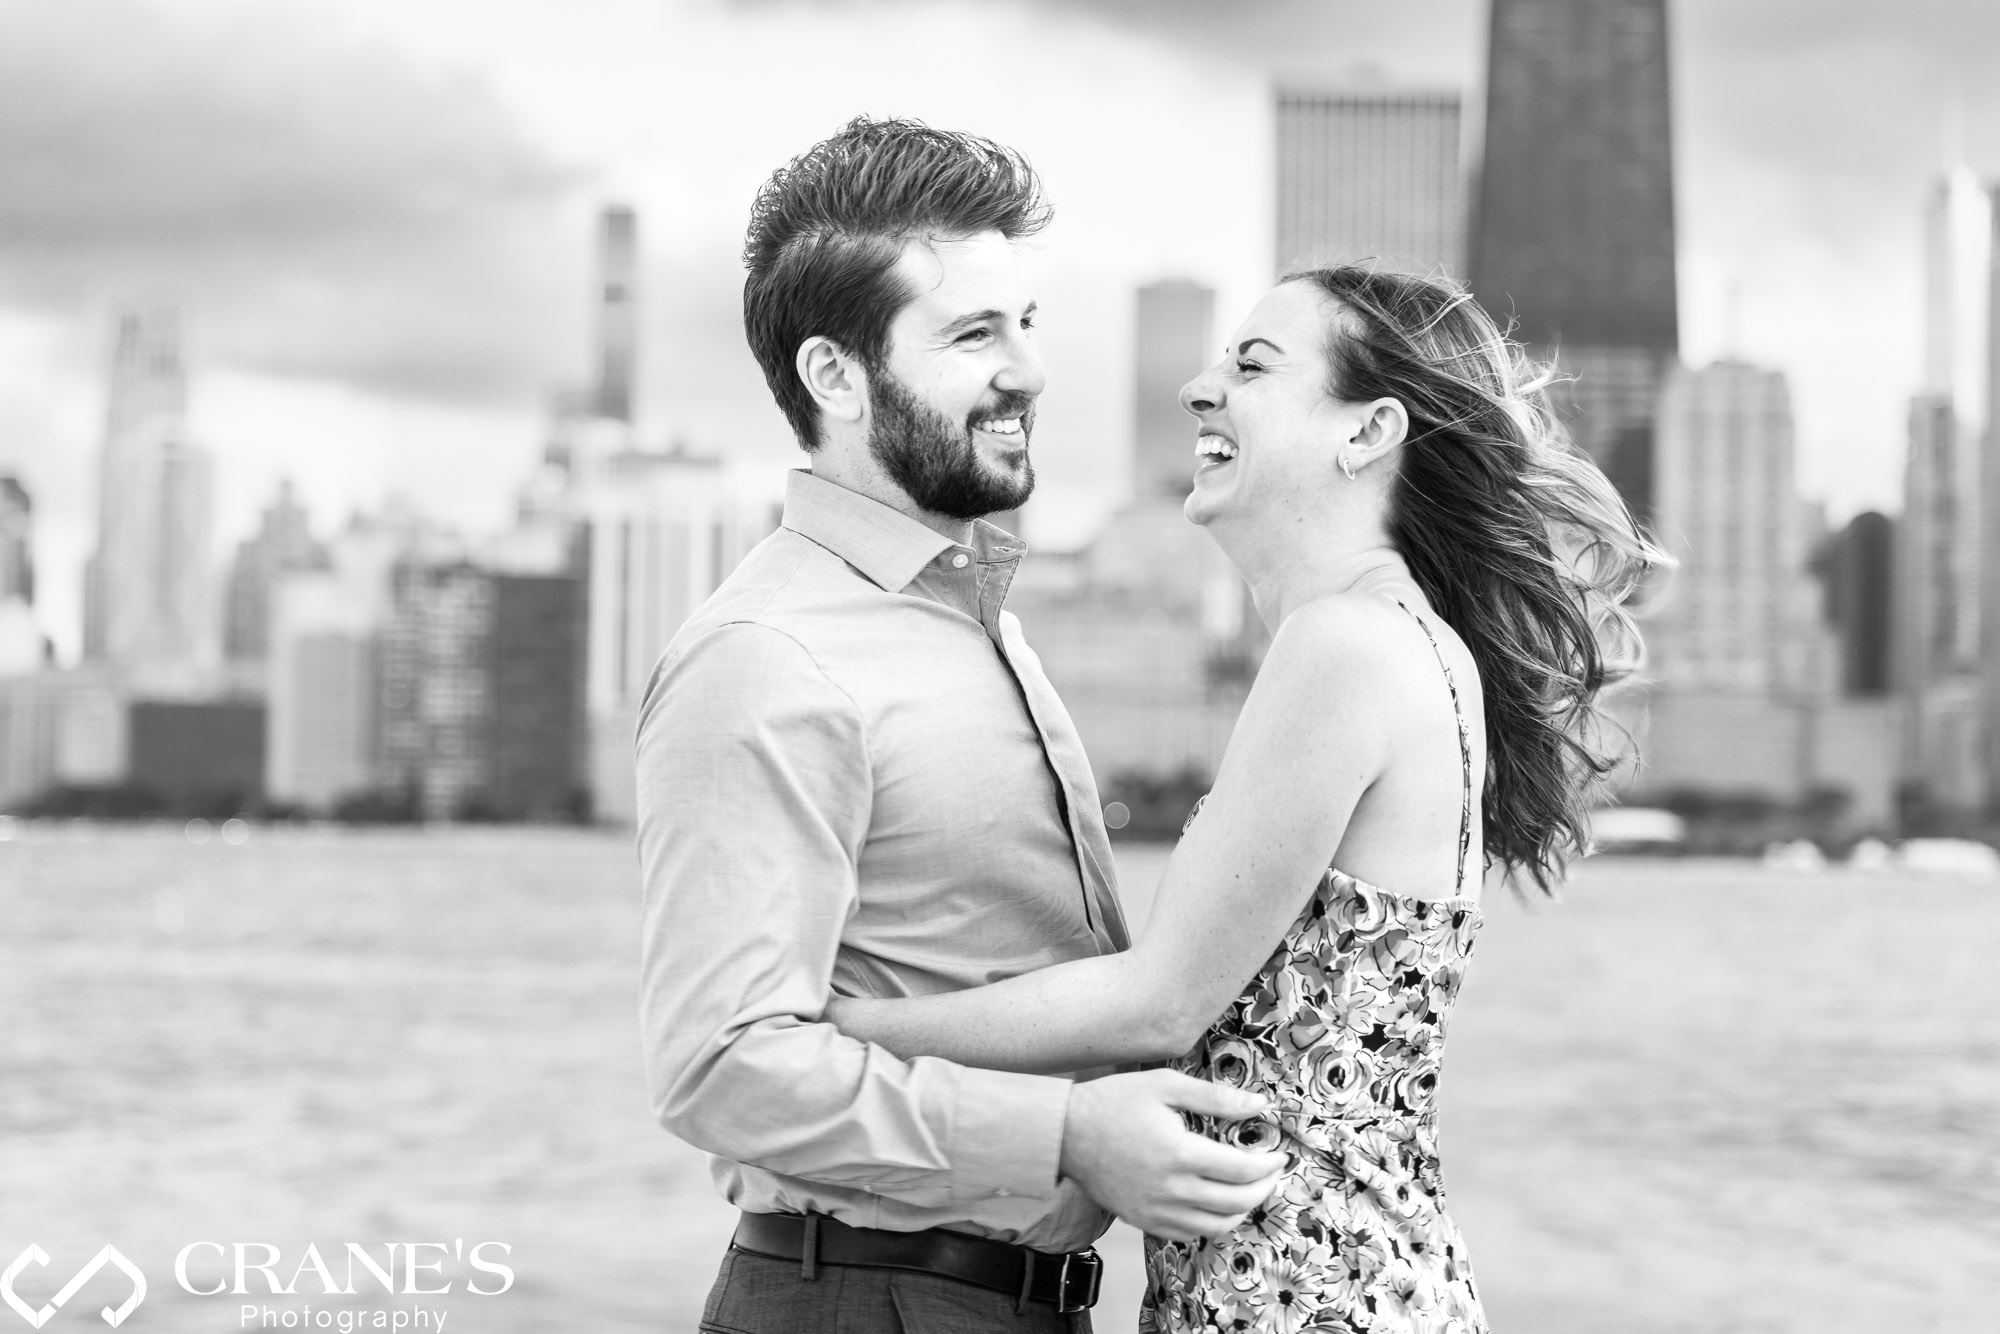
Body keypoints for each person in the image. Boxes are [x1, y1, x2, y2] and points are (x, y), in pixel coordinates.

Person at [829, 265, 1664, 1332]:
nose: (1198, 388)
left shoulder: (1347, 644)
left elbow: (1158, 1000)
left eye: (1252, 365)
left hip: (1303, 1301)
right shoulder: (1396, 641)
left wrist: (835, 1025)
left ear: (1365, 433)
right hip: (1354, 1279)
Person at [635, 116, 1284, 1334]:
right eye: (972, 333)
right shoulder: (768, 660)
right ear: (836, 376)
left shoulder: (974, 615)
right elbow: (716, 1065)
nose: (1029, 369)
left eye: (1026, 323)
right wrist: (1064, 1134)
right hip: (866, 1301)